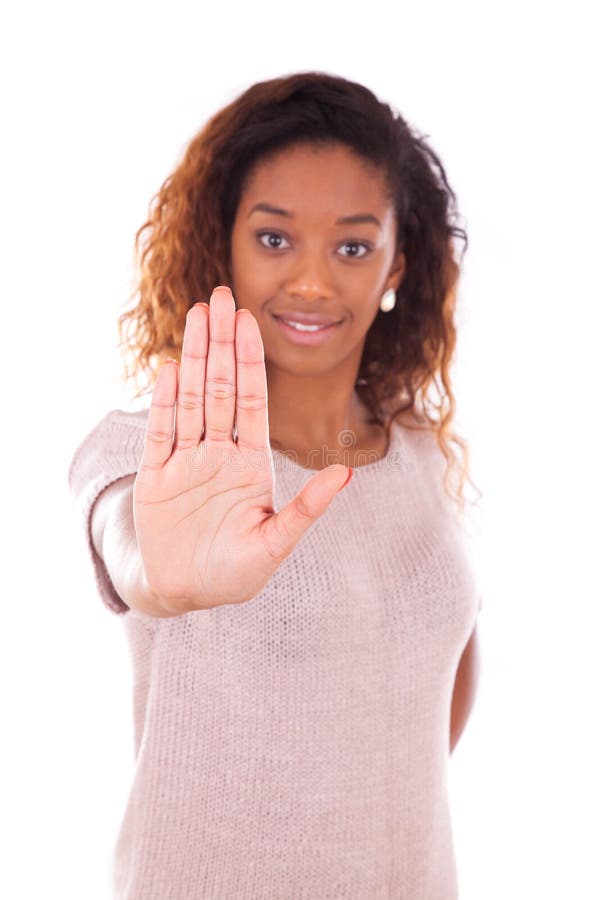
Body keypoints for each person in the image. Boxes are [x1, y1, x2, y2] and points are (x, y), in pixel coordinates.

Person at [67, 70, 483, 900]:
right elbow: (129, 542)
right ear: (221, 244)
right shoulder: (157, 454)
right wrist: (160, 577)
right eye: (274, 238)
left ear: (397, 264)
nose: (313, 284)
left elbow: (439, 668)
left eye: (354, 246)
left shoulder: (417, 451)